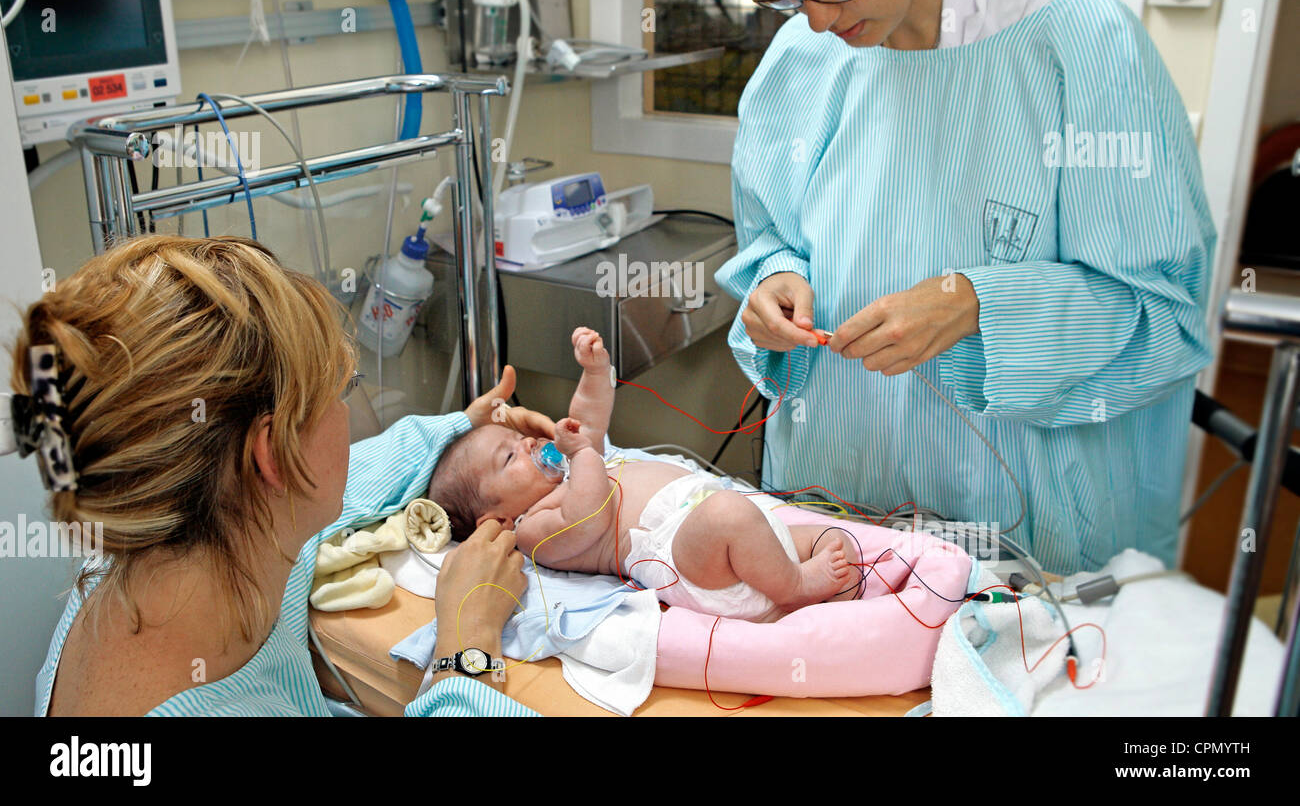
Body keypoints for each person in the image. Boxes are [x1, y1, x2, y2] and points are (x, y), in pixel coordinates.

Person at [711, 0, 1217, 575]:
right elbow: (772, 239)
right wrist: (773, 285)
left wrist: (979, 304)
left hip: (1025, 537)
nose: (819, 19)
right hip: (835, 515)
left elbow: (1162, 316)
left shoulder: (1082, 43)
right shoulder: (801, 60)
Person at [12, 235, 552, 715]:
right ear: (275, 453)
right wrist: (468, 644)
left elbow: (350, 478)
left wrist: (464, 428)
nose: (348, 412)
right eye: (342, 389)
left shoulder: (160, 551)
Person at [431, 328, 857, 621]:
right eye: (508, 459)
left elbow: (589, 422)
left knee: (819, 536)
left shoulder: (575, 465)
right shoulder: (531, 529)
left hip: (724, 539)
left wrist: (596, 372)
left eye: (515, 438)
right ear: (497, 519)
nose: (525, 443)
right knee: (729, 513)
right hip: (688, 561)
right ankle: (793, 588)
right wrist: (581, 455)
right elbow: (590, 515)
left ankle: (815, 582)